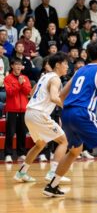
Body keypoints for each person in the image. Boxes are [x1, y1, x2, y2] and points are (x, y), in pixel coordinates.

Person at [42, 40, 97, 201]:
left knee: (75, 151)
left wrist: (70, 111)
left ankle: (52, 185)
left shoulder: (80, 70)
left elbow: (61, 95)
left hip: (67, 112)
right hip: (82, 113)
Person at [13, 52, 70, 183]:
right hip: (39, 114)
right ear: (57, 65)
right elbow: (54, 98)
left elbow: (32, 92)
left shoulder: (45, 76)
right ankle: (53, 173)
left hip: (29, 113)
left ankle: (21, 173)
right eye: (65, 63)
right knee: (64, 141)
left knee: (40, 144)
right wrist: (68, 107)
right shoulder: (55, 78)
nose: (67, 66)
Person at [4, 58, 32, 163]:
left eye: (20, 64)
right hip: (12, 109)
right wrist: (19, 84)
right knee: (10, 133)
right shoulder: (8, 78)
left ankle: (21, 153)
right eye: (16, 64)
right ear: (12, 66)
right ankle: (8, 154)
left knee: (22, 132)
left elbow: (28, 91)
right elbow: (10, 92)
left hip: (23, 109)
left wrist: (22, 84)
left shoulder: (25, 78)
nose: (18, 66)